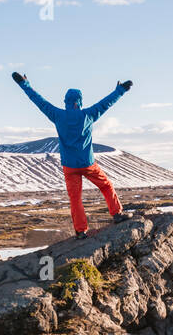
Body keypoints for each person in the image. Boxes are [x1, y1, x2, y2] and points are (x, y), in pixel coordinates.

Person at [12, 72, 134, 238]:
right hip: (88, 163)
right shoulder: (88, 115)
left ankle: (80, 231)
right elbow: (107, 103)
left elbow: (38, 101)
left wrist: (24, 84)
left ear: (66, 102)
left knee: (75, 198)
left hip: (69, 166)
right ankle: (117, 214)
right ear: (80, 101)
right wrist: (120, 90)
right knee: (106, 186)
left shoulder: (57, 115)